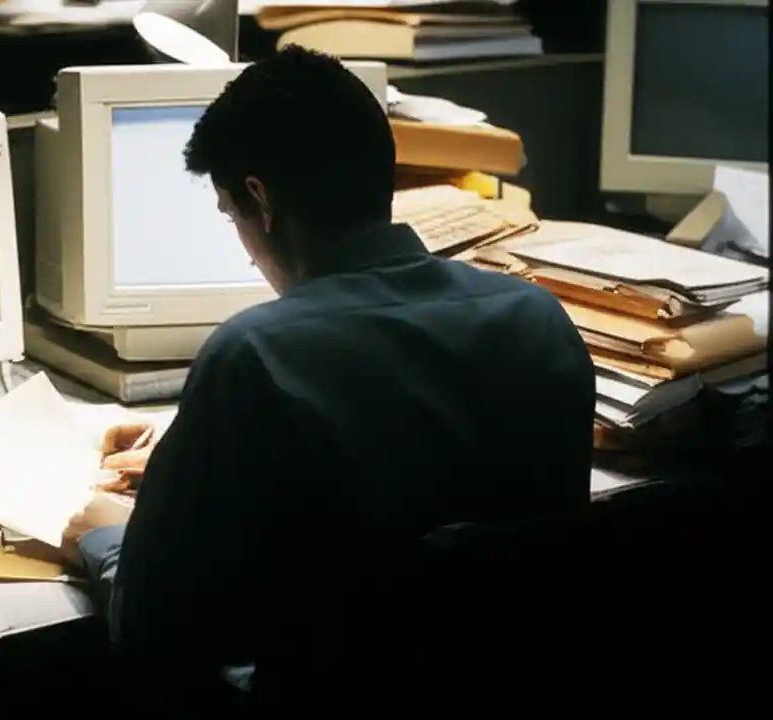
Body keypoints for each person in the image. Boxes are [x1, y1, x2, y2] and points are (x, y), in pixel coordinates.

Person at [60, 46, 594, 706]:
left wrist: (106, 536)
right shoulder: (539, 320)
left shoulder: (254, 356)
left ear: (261, 199)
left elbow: (156, 631)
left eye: (230, 215)